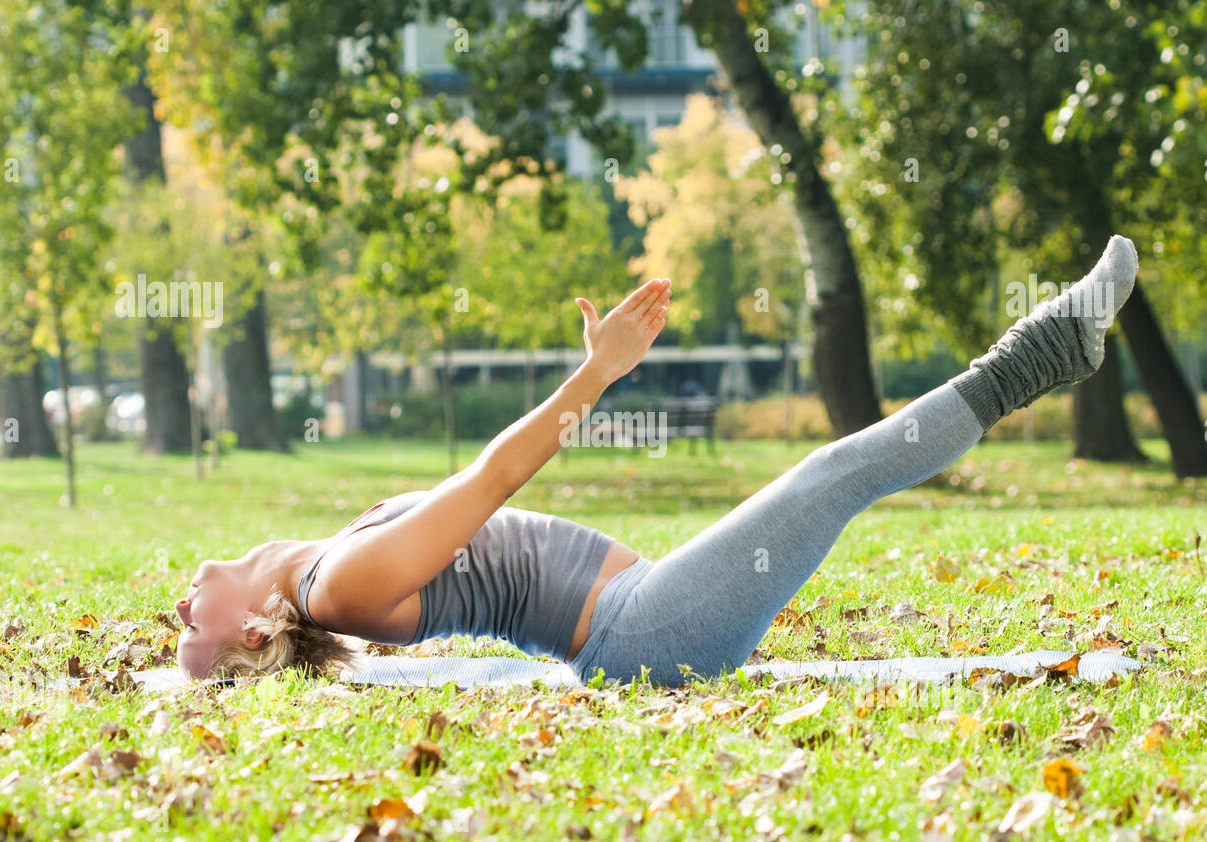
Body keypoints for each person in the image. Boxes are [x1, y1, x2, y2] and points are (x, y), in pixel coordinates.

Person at [176, 236, 1139, 687]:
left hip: (648, 611)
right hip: (640, 637)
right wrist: (596, 377)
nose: (182, 609)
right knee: (830, 477)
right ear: (258, 634)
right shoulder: (337, 587)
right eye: (196, 638)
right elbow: (491, 482)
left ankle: (1051, 353)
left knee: (821, 482)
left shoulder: (323, 563)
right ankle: (1048, 353)